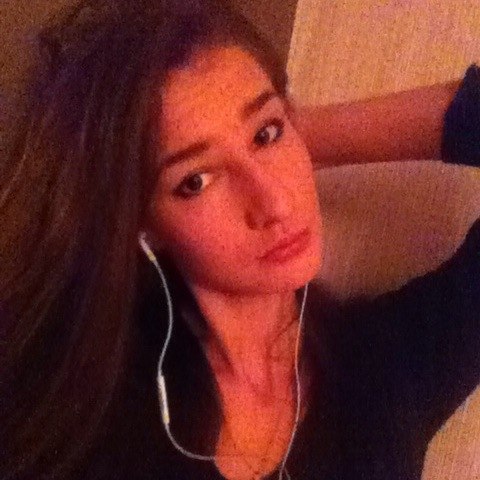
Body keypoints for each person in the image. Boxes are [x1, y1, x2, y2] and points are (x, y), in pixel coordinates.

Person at [0, 0, 478, 479]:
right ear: (140, 223)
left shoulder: (383, 371)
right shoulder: (81, 412)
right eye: (195, 181)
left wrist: (300, 131)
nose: (275, 203)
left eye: (268, 134)